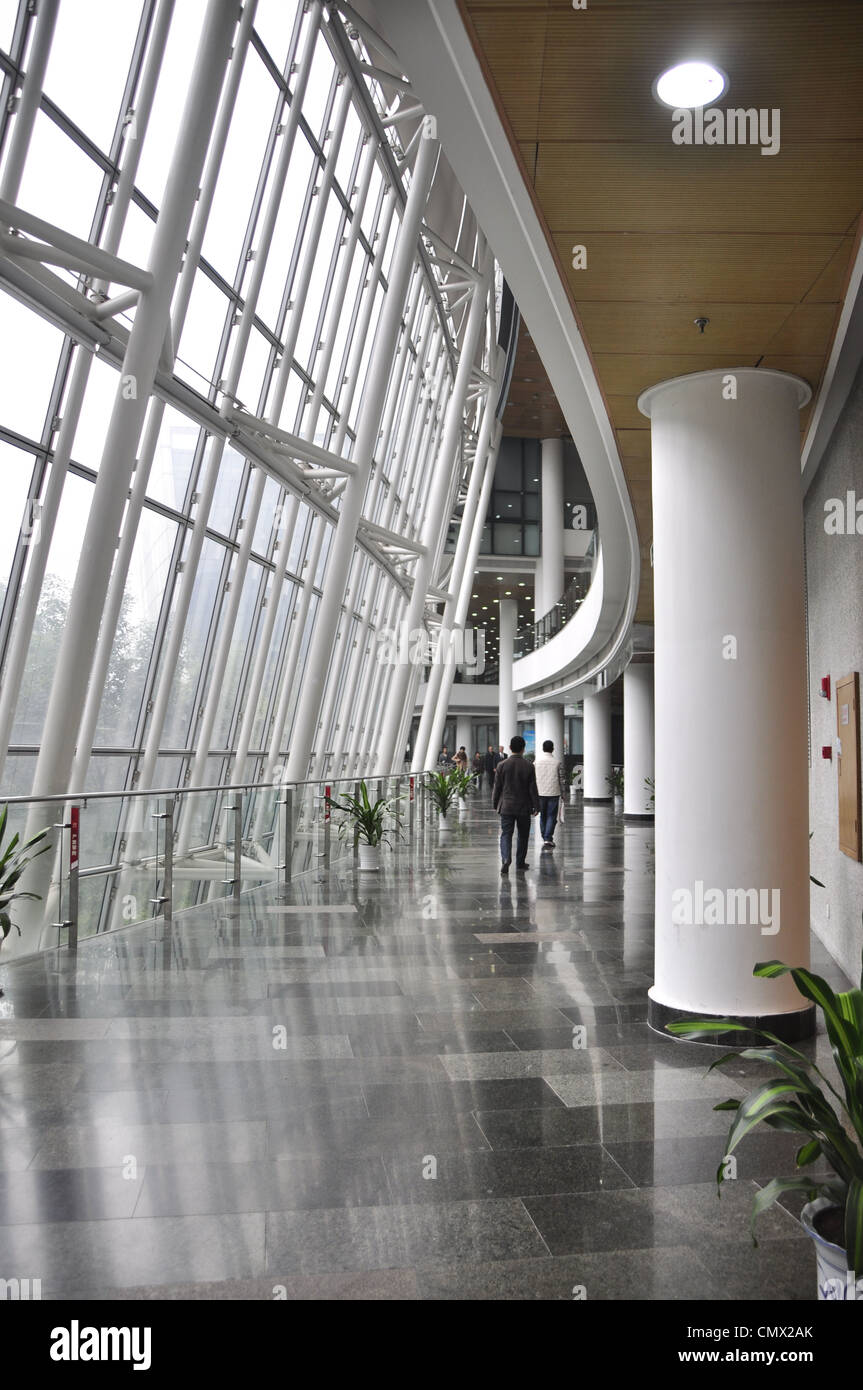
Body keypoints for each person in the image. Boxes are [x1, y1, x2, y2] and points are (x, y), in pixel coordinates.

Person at [493, 735, 539, 875]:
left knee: (506, 834)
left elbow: (497, 787)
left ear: (510, 748)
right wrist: (536, 806)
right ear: (523, 749)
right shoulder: (529, 766)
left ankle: (506, 858)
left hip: (506, 806)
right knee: (523, 835)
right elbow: (533, 788)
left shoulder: (502, 765)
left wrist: (496, 804)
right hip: (524, 807)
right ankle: (520, 862)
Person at [535, 739, 567, 847]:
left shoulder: (536, 762)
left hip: (540, 793)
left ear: (543, 749)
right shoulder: (557, 763)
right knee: (551, 816)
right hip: (553, 792)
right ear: (553, 749)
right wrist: (563, 794)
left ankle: (545, 836)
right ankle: (548, 837)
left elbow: (533, 779)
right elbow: (561, 780)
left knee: (542, 815)